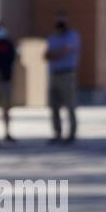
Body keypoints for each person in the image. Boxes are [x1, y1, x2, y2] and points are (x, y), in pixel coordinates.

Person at [44, 10, 80, 144]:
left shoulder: (72, 36)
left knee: (70, 105)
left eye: (62, 19)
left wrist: (55, 54)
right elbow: (46, 55)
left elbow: (64, 52)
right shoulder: (52, 37)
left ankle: (71, 133)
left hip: (67, 74)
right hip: (54, 75)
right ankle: (57, 133)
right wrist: (57, 53)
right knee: (54, 106)